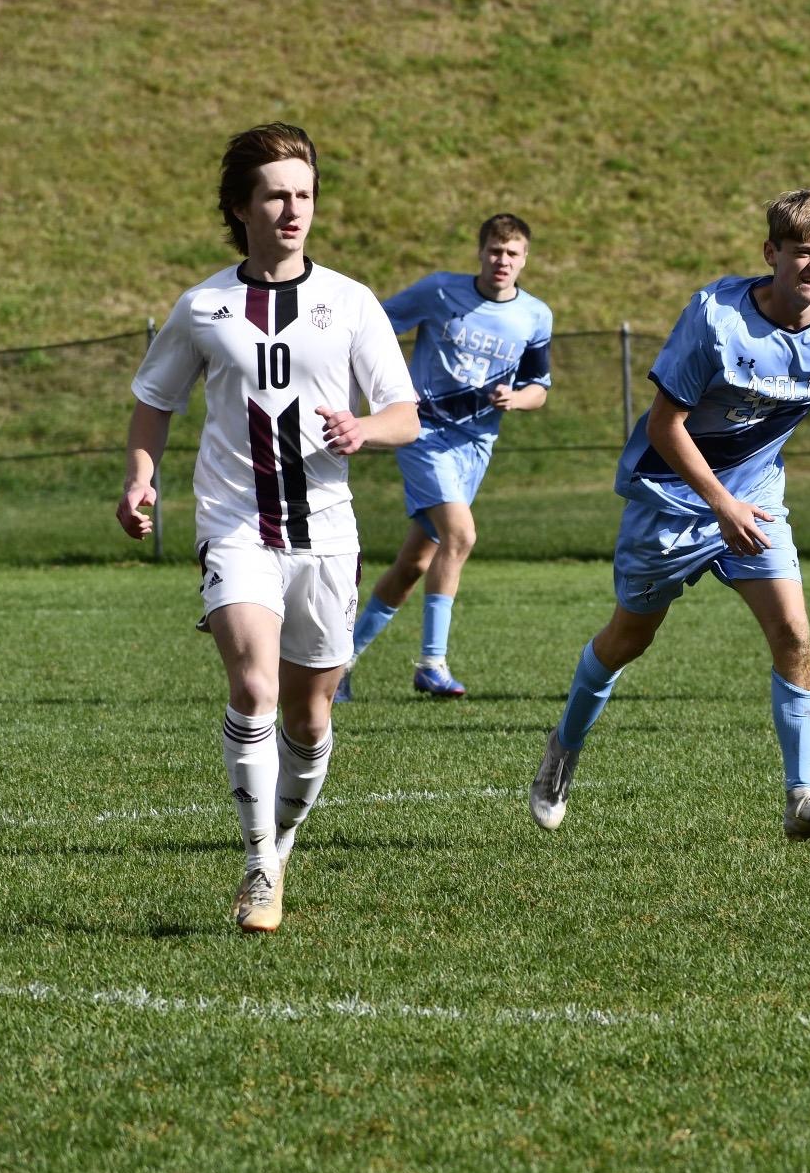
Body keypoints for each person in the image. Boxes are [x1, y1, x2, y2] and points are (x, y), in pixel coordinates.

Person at [117, 123, 420, 934]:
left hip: (325, 531)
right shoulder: (205, 305)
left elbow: (405, 414)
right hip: (234, 522)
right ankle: (257, 864)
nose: (294, 209)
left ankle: (279, 843)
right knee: (253, 686)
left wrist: (365, 429)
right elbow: (155, 398)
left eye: (305, 195)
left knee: (310, 715)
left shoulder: (351, 302)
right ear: (240, 207)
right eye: (277, 195)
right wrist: (141, 477)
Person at [528, 190, 810, 840]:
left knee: (794, 635)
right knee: (627, 640)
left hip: (755, 503)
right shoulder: (716, 318)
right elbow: (665, 426)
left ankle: (801, 796)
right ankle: (564, 746)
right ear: (771, 253)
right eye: (804, 251)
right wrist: (718, 502)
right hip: (671, 500)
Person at [337, 214, 554, 701]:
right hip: (424, 432)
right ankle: (431, 664)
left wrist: (516, 399)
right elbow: (375, 327)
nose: (503, 261)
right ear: (480, 253)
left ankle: (339, 663)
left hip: (476, 446)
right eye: (495, 251)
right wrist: (383, 390)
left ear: (525, 259)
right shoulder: (439, 291)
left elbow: (539, 388)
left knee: (415, 562)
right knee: (461, 534)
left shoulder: (535, 316)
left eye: (512, 253)